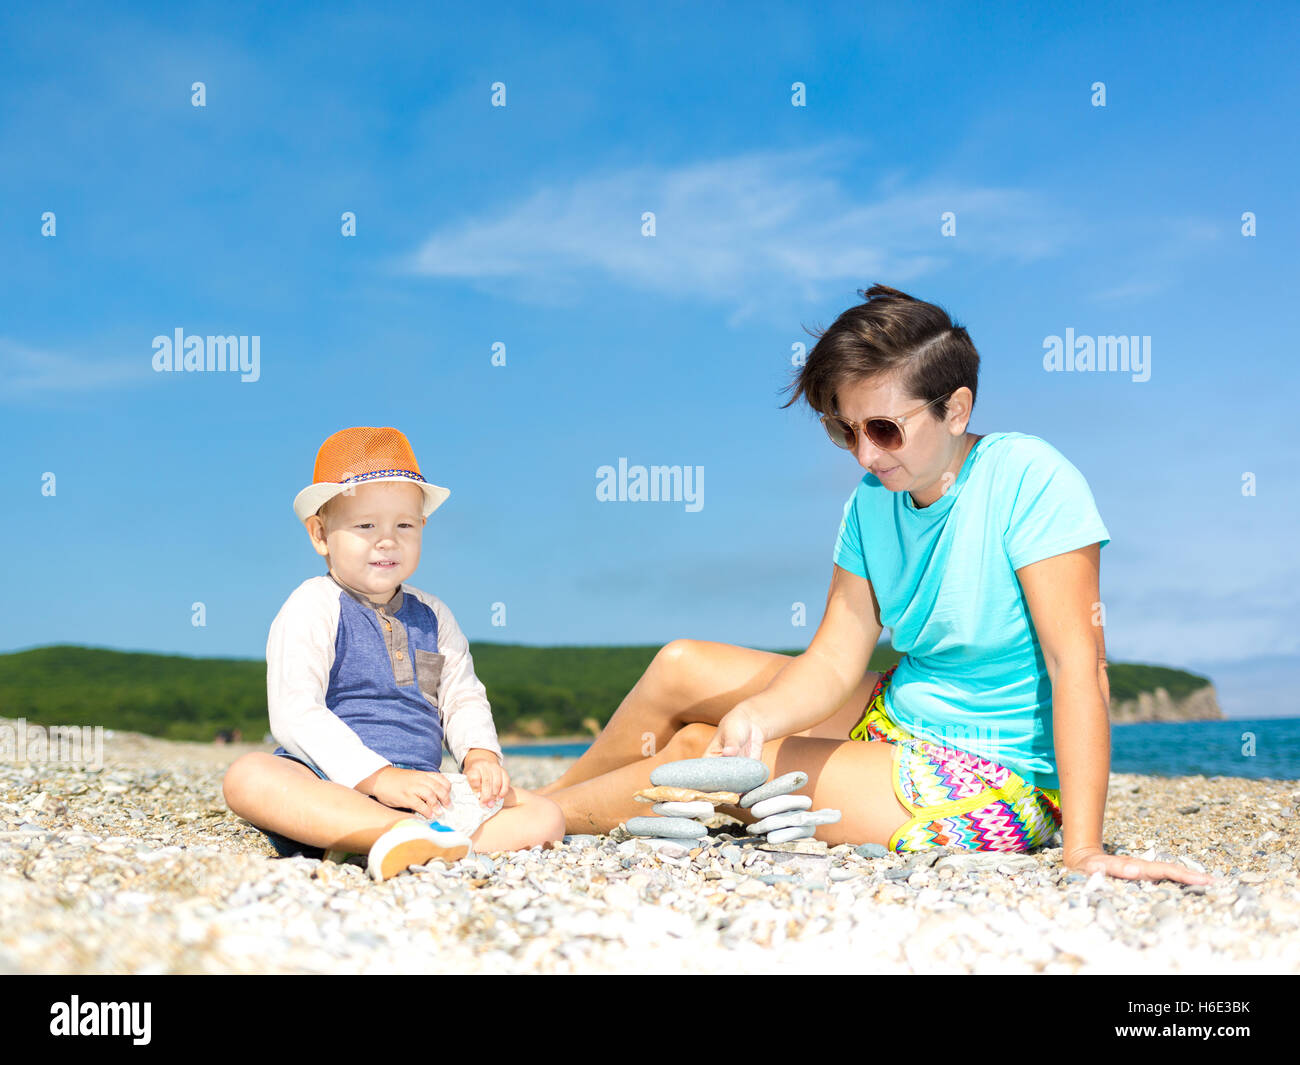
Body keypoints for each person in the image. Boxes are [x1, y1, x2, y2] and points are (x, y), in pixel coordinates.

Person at [540, 285, 1213, 886]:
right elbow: (835, 658)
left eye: (885, 429)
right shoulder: (871, 500)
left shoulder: (1031, 479)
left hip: (995, 773)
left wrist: (1085, 847)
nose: (865, 454)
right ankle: (543, 801)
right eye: (845, 429)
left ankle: (540, 817)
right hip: (896, 712)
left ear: (956, 409)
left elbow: (1079, 667)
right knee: (680, 667)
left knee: (698, 749)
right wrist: (763, 713)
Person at [222, 426, 564, 880]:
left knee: (544, 816)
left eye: (404, 525)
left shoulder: (434, 615)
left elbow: (461, 696)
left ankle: (406, 841)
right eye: (366, 526)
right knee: (249, 776)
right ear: (321, 535)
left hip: (425, 793)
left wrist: (480, 754)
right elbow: (295, 711)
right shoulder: (315, 603)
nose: (387, 540)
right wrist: (379, 778)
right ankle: (391, 834)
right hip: (331, 784)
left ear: (422, 527)